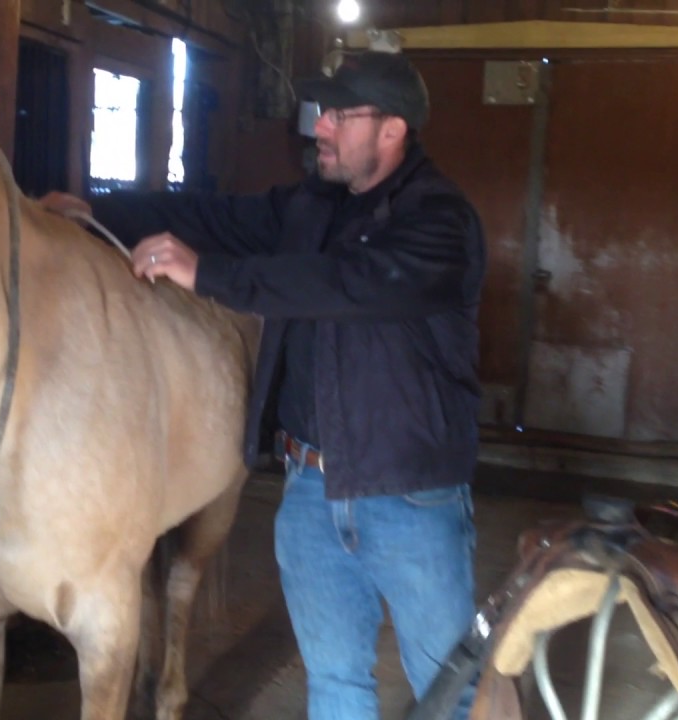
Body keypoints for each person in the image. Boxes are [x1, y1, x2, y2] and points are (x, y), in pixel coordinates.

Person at [43, 50, 485, 719]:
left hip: (409, 498)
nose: (321, 128)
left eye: (339, 114)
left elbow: (344, 285)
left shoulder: (439, 222)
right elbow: (212, 216)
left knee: (452, 691)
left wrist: (210, 276)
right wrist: (95, 208)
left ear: (392, 130)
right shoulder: (312, 206)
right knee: (336, 683)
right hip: (311, 491)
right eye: (321, 112)